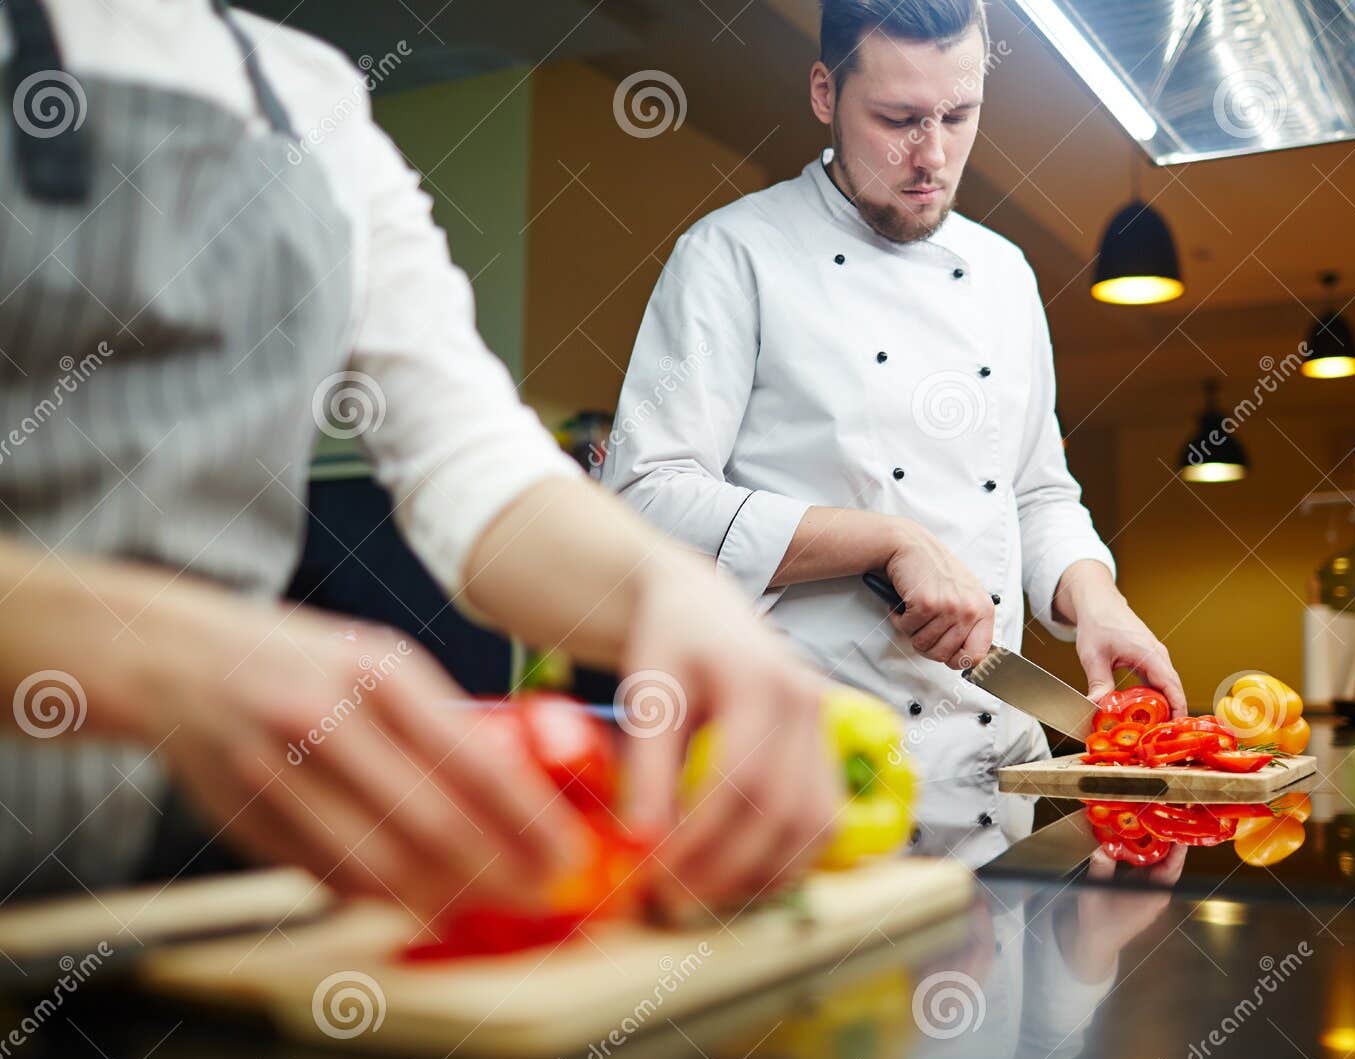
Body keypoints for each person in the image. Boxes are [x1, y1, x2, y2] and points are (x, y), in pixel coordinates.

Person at [0, 0, 841, 917]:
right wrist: (159, 655)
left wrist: (669, 592)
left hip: (168, 896)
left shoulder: (305, 94)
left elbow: (474, 463)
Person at [604, 0, 1184, 864]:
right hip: (803, 790)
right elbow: (644, 501)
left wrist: (1096, 600)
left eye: (958, 116)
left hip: (999, 787)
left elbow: (1035, 490)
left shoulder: (1004, 276)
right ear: (824, 92)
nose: (934, 156)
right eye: (899, 120)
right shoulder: (733, 257)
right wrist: (882, 539)